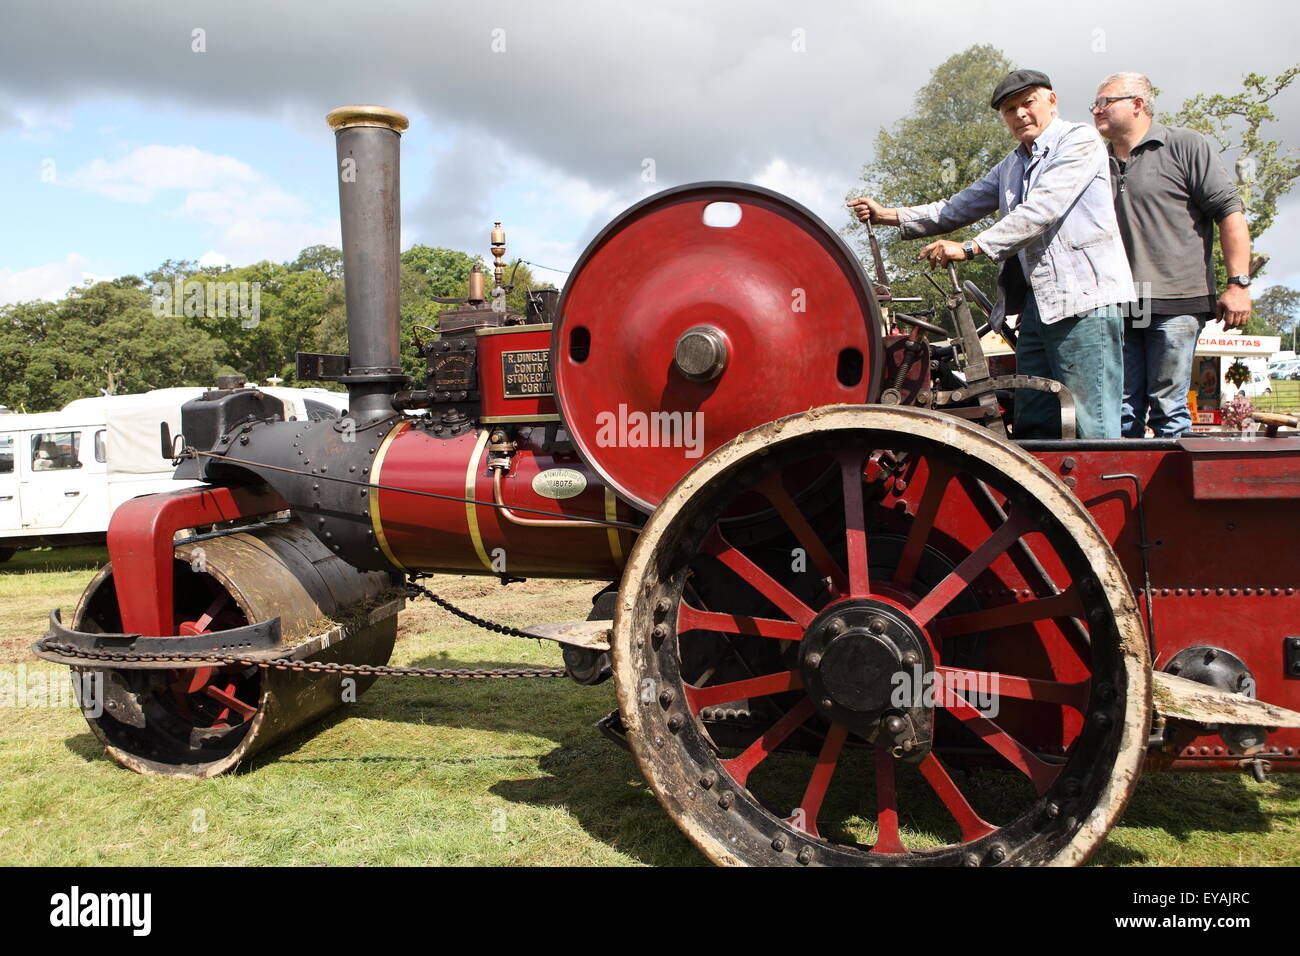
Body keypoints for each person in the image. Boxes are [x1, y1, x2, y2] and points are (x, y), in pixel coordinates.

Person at [850, 69, 1134, 439]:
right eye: (1009, 109)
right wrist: (889, 215)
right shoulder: (1012, 164)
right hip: (1038, 308)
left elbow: (1042, 208)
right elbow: (958, 207)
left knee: (1091, 423)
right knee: (1035, 420)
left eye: (1027, 102)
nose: (1019, 114)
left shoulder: (1079, 140)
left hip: (1083, 302)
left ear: (1051, 100)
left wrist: (971, 247)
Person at [1091, 72, 1252, 438]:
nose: (1096, 110)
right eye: (1094, 104)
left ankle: (1170, 496)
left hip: (1177, 301)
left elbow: (1230, 212)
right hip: (1120, 303)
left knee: (1167, 409)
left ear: (1138, 104)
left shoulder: (1185, 145)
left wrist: (1238, 284)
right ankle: (1128, 495)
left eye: (1105, 102)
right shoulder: (1094, 162)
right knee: (1120, 412)